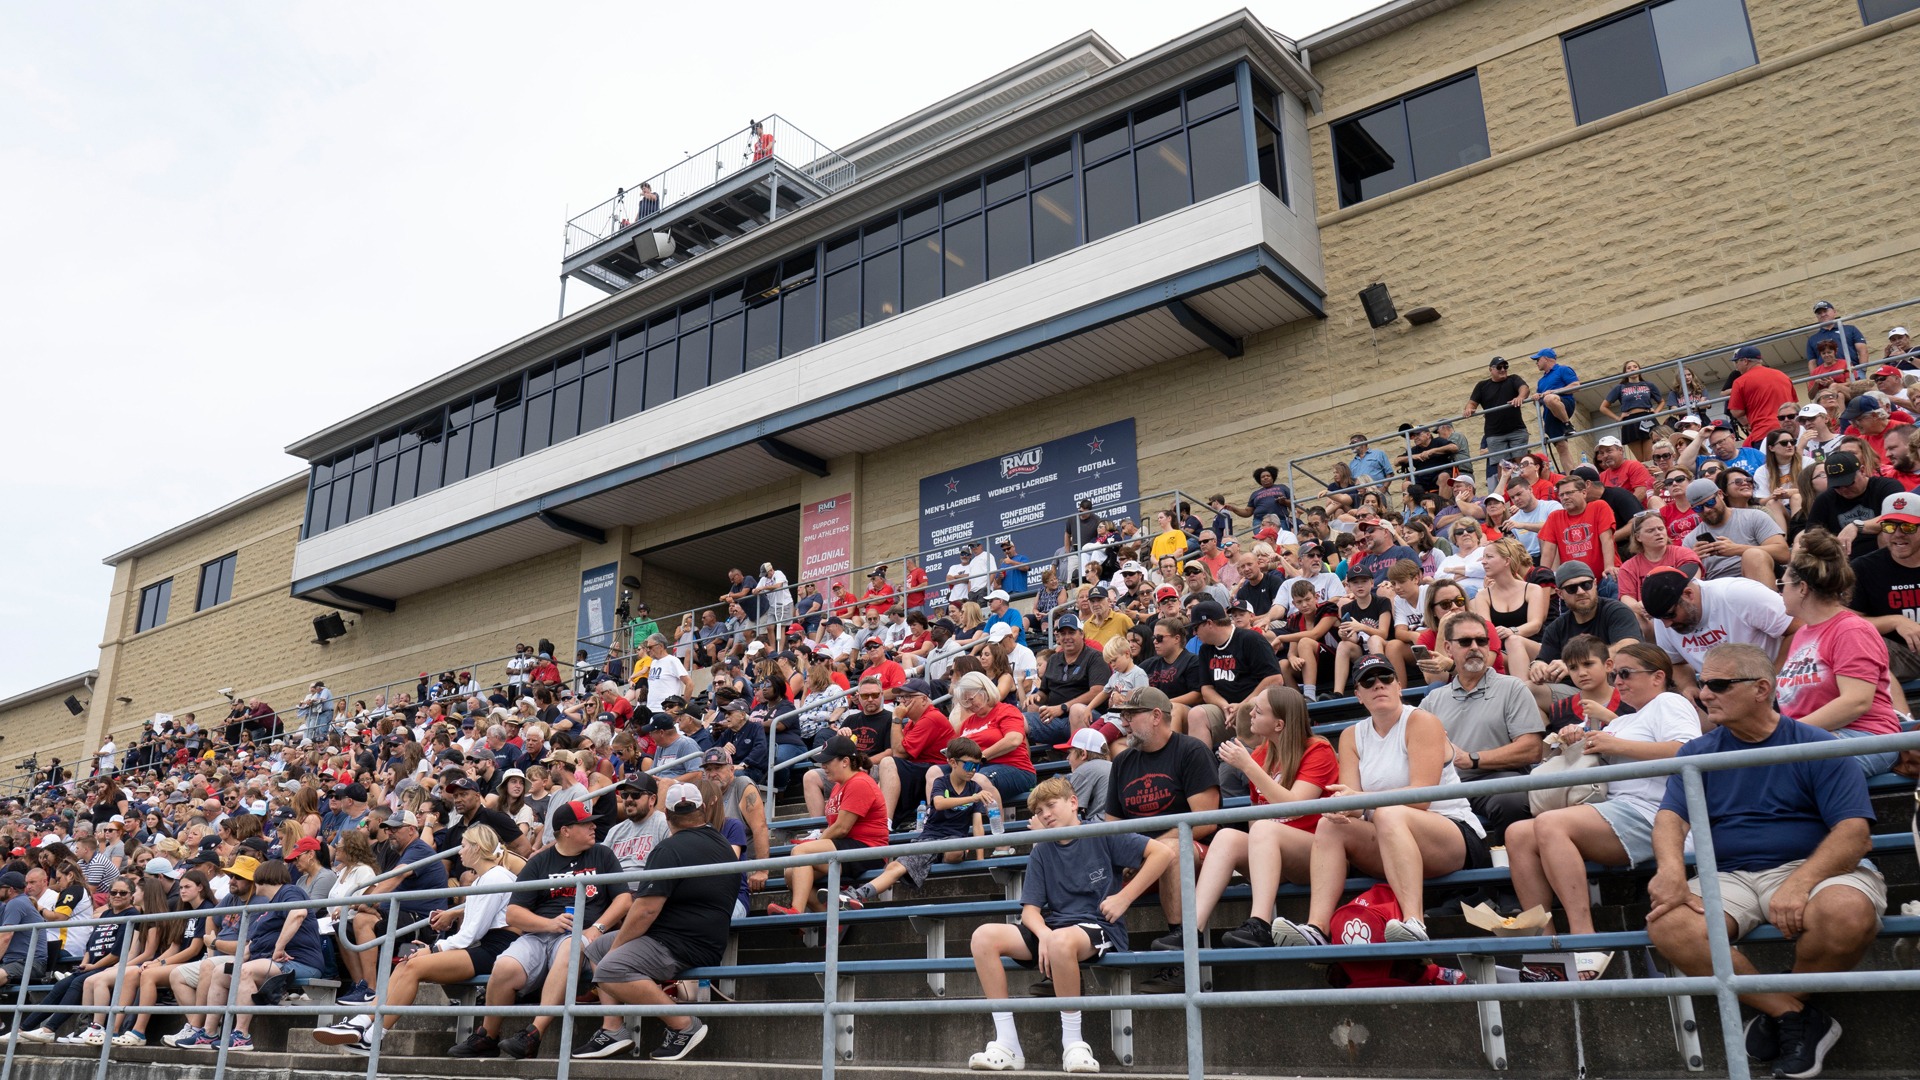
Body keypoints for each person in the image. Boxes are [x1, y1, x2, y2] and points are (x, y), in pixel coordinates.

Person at [1645, 643, 1885, 1080]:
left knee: (1846, 912)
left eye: (1718, 684)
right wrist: (1671, 872)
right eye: (1702, 684)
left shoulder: (1816, 744)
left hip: (1811, 867)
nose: (1704, 694)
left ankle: (1786, 1014)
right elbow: (1669, 820)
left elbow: (1854, 833)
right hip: (1728, 874)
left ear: (1761, 689)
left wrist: (1800, 882)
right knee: (1668, 922)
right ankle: (1791, 1013)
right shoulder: (1697, 752)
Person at [1504, 643, 1699, 977]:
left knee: (1550, 824)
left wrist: (1614, 743)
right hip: (1616, 810)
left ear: (1658, 677)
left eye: (1625, 673)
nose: (1618, 680)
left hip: (1657, 814)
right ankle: (1545, 949)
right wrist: (1575, 740)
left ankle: (1585, 939)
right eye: (1614, 674)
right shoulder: (1625, 720)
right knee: (1517, 833)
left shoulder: (1669, 701)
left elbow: (1688, 750)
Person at [1271, 655, 1489, 948]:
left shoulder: (1422, 721)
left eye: (1386, 678)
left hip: (1451, 832)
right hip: (1388, 835)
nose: (1379, 685)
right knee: (1329, 825)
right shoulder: (1351, 735)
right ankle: (1317, 928)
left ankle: (1415, 921)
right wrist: (1343, 807)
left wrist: (1360, 802)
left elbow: (1422, 796)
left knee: (1389, 813)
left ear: (1399, 686)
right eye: (1368, 681)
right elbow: (1351, 799)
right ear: (1358, 695)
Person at [963, 776, 1171, 1074]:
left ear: (1074, 803)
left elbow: (1163, 853)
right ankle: (1007, 1043)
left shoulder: (1102, 832)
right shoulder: (1042, 849)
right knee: (983, 936)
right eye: (1039, 811)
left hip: (1097, 927)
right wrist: (1044, 935)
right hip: (1055, 930)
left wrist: (1124, 897)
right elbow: (1031, 912)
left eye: (1051, 805)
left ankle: (1074, 1044)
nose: (1045, 814)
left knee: (1061, 941)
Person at [312, 824, 519, 1055]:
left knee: (414, 966)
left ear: (477, 848)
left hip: (496, 950)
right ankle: (362, 1023)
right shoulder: (486, 878)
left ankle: (372, 1035)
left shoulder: (494, 877)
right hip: (484, 946)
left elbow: (470, 935)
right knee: (406, 963)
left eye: (463, 846)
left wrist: (432, 949)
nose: (459, 851)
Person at [448, 800, 630, 1059]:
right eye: (586, 823)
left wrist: (598, 927)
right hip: (539, 934)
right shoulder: (540, 861)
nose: (594, 827)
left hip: (579, 935)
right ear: (565, 830)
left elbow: (624, 898)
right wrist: (549, 924)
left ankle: (534, 1034)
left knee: (570, 948)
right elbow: (514, 913)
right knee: (504, 966)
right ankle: (487, 1036)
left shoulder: (602, 854)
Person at [583, 781, 737, 1062]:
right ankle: (614, 1029)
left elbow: (645, 911)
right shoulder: (722, 844)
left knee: (608, 969)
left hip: (680, 942)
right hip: (698, 937)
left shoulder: (669, 849)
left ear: (665, 815)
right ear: (702, 810)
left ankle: (684, 1026)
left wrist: (618, 946)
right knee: (595, 949)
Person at [1187, 686, 1337, 949]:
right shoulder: (1259, 755)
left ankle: (1260, 923)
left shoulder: (1318, 749)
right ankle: (1191, 931)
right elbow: (1256, 820)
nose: (1250, 713)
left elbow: (1295, 807)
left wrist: (1248, 767)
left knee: (1265, 829)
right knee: (1226, 837)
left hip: (1316, 853)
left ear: (1279, 724)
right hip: (1276, 855)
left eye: (1259, 710)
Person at [1104, 687, 1219, 992]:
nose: (1124, 722)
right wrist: (1133, 853)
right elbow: (1112, 827)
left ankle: (1179, 960)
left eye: (1131, 714)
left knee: (1170, 849)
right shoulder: (1122, 762)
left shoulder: (1191, 751)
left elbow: (1206, 821)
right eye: (1122, 715)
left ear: (1156, 716)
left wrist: (1146, 850)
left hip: (1195, 852)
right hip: (1139, 860)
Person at [1775, 530, 1904, 777]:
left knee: (1784, 774)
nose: (1779, 592)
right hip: (1812, 739)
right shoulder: (1802, 634)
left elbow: (1856, 701)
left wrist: (1786, 735)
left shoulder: (1850, 629)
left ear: (1802, 588)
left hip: (1864, 736)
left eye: (1782, 584)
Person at [1415, 610, 1542, 846]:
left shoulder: (1512, 688)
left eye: (1481, 641)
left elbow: (1532, 749)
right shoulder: (1433, 700)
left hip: (1497, 781)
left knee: (1511, 799)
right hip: (1447, 787)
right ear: (1448, 648)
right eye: (1465, 642)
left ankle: (1510, 871)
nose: (1475, 647)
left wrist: (1472, 759)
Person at [836, 737, 989, 909]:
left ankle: (939, 858)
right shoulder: (942, 782)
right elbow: (938, 803)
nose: (973, 771)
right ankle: (857, 895)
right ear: (953, 762)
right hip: (930, 839)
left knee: (955, 850)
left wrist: (980, 861)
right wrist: (973, 798)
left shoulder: (975, 788)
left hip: (954, 841)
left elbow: (977, 825)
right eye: (969, 765)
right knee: (895, 866)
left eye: (977, 766)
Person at [768, 737, 891, 917]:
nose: (823, 766)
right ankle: (834, 920)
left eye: (827, 761)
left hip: (868, 851)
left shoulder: (860, 782)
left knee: (800, 853)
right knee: (790, 873)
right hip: (847, 848)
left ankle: (795, 912)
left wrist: (814, 844)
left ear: (845, 762)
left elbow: (842, 828)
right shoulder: (837, 787)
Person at [1639, 565, 1794, 695]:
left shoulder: (1738, 594)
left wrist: (1775, 676)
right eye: (1660, 619)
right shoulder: (1665, 618)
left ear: (1688, 594)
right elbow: (1675, 662)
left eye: (1670, 615)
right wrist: (1688, 686)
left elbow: (1798, 627)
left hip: (1769, 683)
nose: (1666, 624)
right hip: (1718, 692)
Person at [1847, 490, 1920, 683]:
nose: (1897, 534)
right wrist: (1896, 621)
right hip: (1899, 654)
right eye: (1889, 527)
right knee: (1854, 644)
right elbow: (1847, 623)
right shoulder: (1864, 567)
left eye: (1908, 527)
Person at [1529, 562, 1642, 684]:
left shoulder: (1616, 611)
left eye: (1586, 585)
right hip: (1573, 690)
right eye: (1572, 588)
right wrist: (1538, 666)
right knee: (1530, 688)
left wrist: (1575, 664)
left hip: (1615, 684)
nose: (1581, 591)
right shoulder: (1556, 628)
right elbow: (1544, 660)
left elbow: (1629, 646)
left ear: (1595, 584)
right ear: (1560, 594)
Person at [1680, 478, 1789, 585]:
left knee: (1753, 555)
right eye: (1699, 508)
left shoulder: (1754, 517)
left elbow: (1784, 554)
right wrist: (1694, 560)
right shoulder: (1690, 540)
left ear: (1720, 494)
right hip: (1718, 589)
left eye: (1710, 502)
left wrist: (1737, 549)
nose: (1706, 510)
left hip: (1754, 580)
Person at [1809, 450, 1904, 560]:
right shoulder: (1825, 499)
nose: (1843, 489)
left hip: (1882, 556)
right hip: (1844, 561)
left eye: (1849, 483)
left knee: (1887, 532)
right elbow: (1812, 536)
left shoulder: (1886, 486)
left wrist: (1856, 526)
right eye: (1837, 486)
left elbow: (1898, 517)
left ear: (1862, 471)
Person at [1540, 475, 1618, 588]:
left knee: (1613, 579)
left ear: (1584, 493)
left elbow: (1606, 540)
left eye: (1569, 492)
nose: (1565, 497)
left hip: (1603, 578)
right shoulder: (1555, 517)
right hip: (1575, 585)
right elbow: (1548, 552)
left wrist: (1609, 567)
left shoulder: (1599, 507)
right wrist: (1543, 578)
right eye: (1561, 495)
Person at [1466, 356, 1532, 469]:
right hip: (1494, 434)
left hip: (1516, 430)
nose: (1503, 369)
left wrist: (1520, 397)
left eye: (1505, 366)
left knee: (1521, 462)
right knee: (1503, 466)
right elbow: (1472, 403)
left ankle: (1526, 485)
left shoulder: (1513, 379)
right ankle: (1506, 487)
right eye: (1499, 367)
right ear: (1491, 369)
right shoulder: (1482, 386)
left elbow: (1524, 388)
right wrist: (1469, 409)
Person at [1726, 346, 1797, 447]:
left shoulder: (1740, 381)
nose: (1736, 367)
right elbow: (1794, 404)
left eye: (1737, 362)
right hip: (1789, 432)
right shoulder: (1782, 375)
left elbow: (1736, 412)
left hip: (1764, 434)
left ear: (1745, 361)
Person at [1600, 361, 1664, 457]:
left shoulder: (1648, 385)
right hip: (1630, 422)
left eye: (1635, 366)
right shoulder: (1620, 387)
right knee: (1641, 460)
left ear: (1639, 370)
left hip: (1647, 418)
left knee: (1650, 457)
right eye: (1629, 368)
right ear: (1625, 372)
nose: (1632, 369)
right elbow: (1603, 407)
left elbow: (1662, 401)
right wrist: (1617, 418)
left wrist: (1656, 412)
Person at [1533, 348, 1580, 469]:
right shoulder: (1541, 381)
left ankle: (1567, 424)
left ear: (1546, 358)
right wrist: (1536, 398)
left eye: (1538, 359)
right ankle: (1571, 477)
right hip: (1549, 413)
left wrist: (1553, 392)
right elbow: (1539, 402)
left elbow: (1575, 386)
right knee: (1561, 447)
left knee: (1550, 398)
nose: (1536, 362)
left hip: (1564, 403)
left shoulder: (1563, 369)